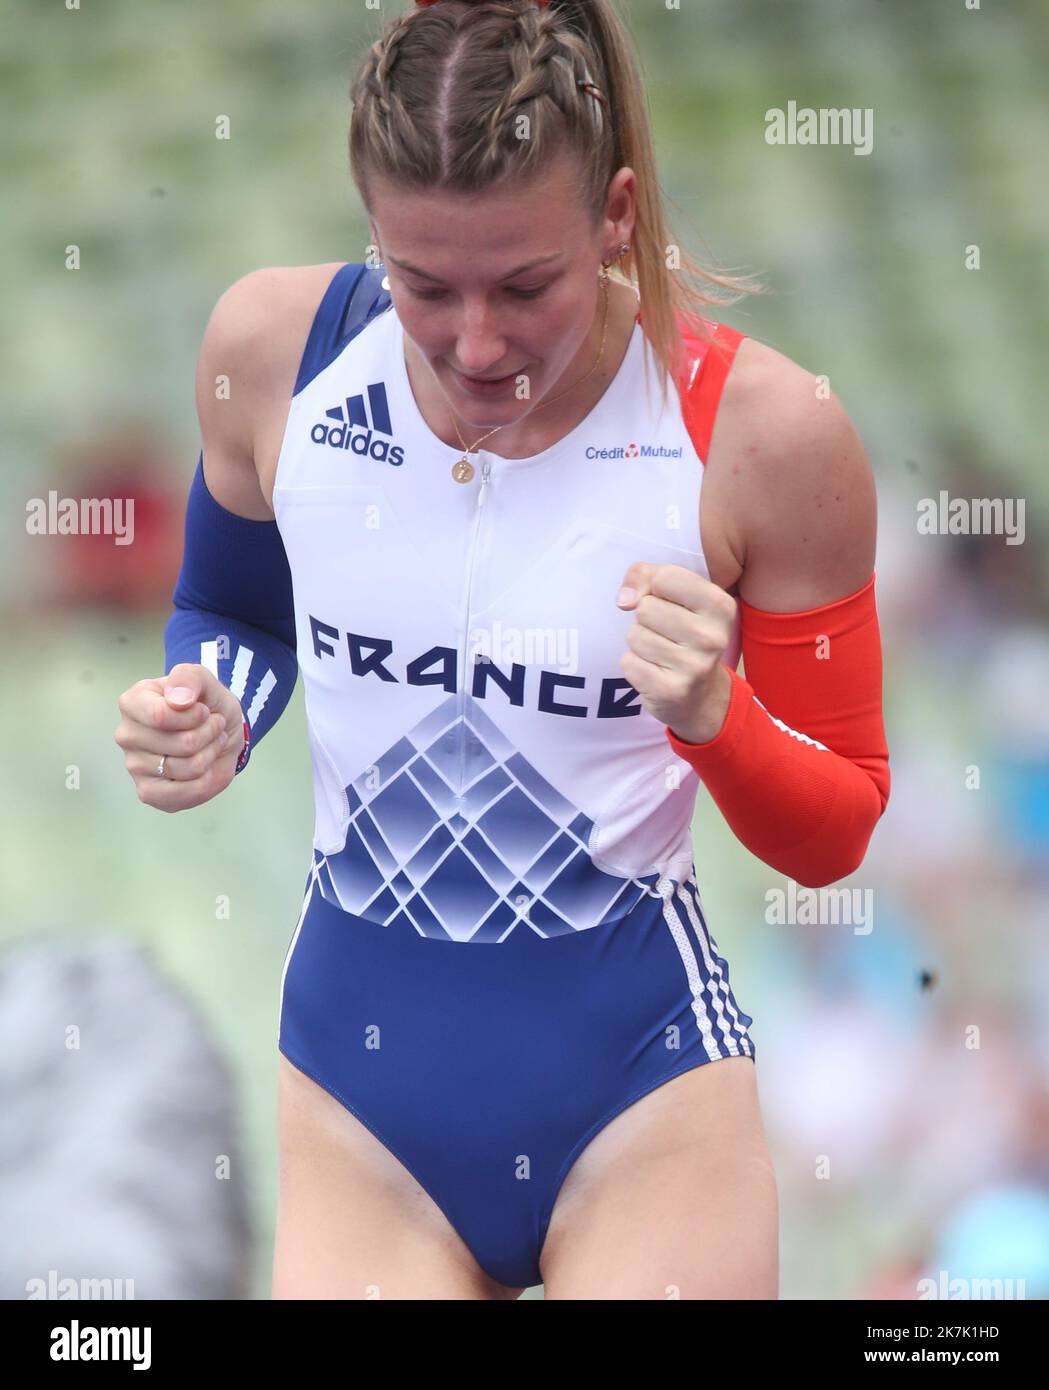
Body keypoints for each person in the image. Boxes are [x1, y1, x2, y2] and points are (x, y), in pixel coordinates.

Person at [114, 0, 889, 1300]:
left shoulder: (764, 437)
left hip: (639, 1096)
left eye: (525, 286)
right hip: (361, 1104)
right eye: (424, 286)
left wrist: (717, 718)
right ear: (372, 230)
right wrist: (213, 706)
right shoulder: (270, 352)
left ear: (615, 211)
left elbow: (838, 828)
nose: (475, 343)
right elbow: (236, 613)